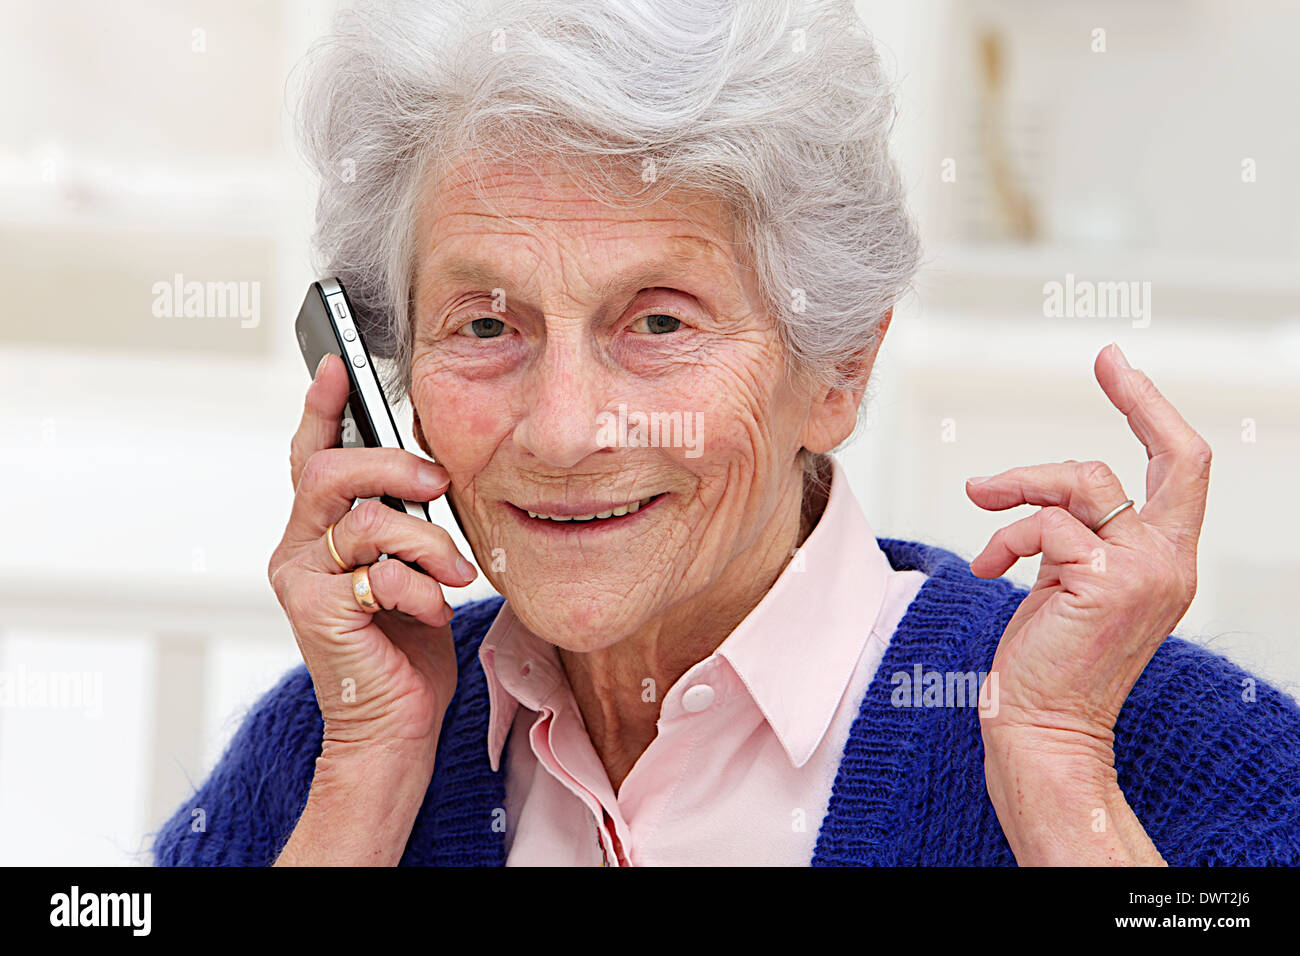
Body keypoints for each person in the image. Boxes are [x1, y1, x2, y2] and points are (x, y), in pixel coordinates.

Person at [153, 0, 1300, 866]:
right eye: (486, 322)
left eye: (657, 320)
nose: (561, 429)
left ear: (838, 371)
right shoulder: (329, 742)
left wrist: (1056, 779)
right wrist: (364, 780)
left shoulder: (1173, 744)